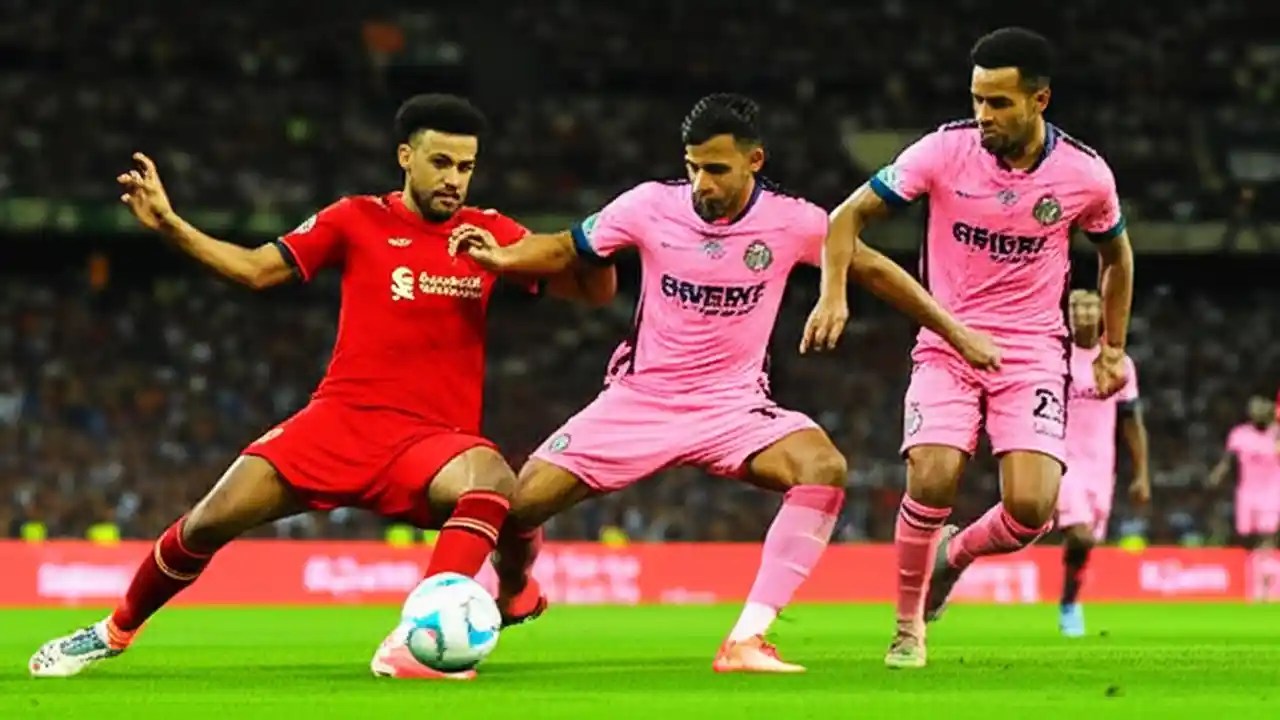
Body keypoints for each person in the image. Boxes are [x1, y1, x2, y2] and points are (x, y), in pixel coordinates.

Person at [28, 94, 614, 681]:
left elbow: (592, 290)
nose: (453, 180)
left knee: (493, 480)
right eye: (440, 163)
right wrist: (171, 226)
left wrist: (592, 240)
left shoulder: (490, 231)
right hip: (339, 423)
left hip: (433, 440)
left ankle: (416, 642)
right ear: (406, 157)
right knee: (208, 521)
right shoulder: (355, 219)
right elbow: (256, 271)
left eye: (465, 167)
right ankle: (113, 630)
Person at [453, 93, 997, 673]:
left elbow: (872, 268)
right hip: (640, 401)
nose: (700, 183)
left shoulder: (790, 221)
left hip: (733, 408)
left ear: (753, 160)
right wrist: (507, 259)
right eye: (692, 167)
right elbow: (566, 247)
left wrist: (956, 333)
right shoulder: (648, 206)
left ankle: (747, 639)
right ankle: (513, 591)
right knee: (515, 510)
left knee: (824, 466)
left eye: (715, 169)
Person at [808, 27, 1135, 669]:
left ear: (1039, 100)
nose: (984, 114)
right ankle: (908, 629)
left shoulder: (1084, 175)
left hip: (1034, 352)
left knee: (1033, 509)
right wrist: (833, 291)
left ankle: (953, 556)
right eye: (978, 99)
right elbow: (846, 217)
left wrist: (1112, 346)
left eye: (1000, 102)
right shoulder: (942, 151)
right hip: (948, 341)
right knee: (930, 477)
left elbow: (1116, 258)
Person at [1055, 289, 1149, 636]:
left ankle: (1069, 601)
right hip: (1063, 462)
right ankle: (1068, 602)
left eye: (1090, 305)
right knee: (1079, 536)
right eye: (1076, 305)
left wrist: (1141, 474)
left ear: (1102, 311)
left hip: (1100, 467)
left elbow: (1131, 421)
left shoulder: (1118, 363)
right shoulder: (1055, 358)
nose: (1082, 312)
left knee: (1086, 544)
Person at [1209, 394, 1280, 599]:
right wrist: (1217, 475)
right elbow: (1228, 459)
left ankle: (1270, 587)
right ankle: (1256, 582)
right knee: (1249, 541)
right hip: (1247, 495)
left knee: (1267, 539)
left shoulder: (1276, 434)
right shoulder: (1239, 434)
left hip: (1272, 494)